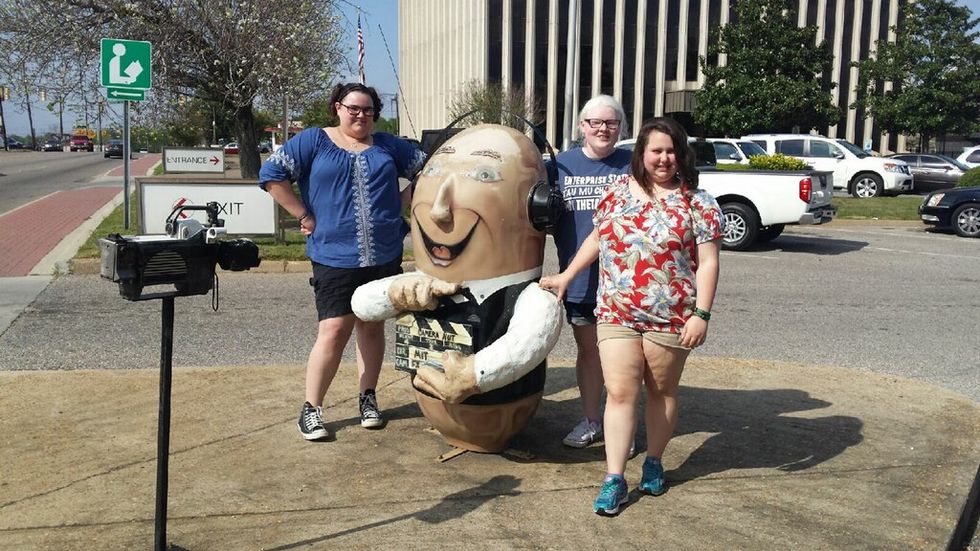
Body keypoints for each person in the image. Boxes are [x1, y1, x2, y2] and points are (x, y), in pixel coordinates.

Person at [540, 117, 722, 516]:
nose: (663, 158)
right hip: (616, 312)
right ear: (641, 153)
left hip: (671, 316)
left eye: (671, 151)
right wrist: (567, 276)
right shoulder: (618, 191)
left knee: (661, 392)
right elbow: (597, 237)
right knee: (620, 393)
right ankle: (615, 478)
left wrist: (701, 314)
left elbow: (708, 264)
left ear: (681, 154)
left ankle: (654, 461)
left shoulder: (698, 202)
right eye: (656, 150)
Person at [351, 124, 563, 453]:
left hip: (505, 406)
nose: (439, 209)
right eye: (433, 171)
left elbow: (532, 337)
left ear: (540, 206)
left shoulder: (530, 298)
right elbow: (361, 304)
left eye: (482, 174)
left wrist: (473, 375)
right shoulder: (421, 284)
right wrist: (394, 293)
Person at [258, 82, 425, 441]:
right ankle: (311, 408)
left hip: (383, 253)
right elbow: (272, 176)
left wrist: (400, 205)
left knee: (371, 326)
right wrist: (303, 214)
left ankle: (368, 397)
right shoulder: (314, 141)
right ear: (337, 107)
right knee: (333, 330)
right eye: (354, 108)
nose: (361, 115)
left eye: (368, 110)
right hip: (333, 255)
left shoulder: (387, 145)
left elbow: (428, 170)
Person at [550, 94, 633, 449]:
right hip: (579, 279)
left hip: (626, 281)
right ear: (582, 126)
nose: (603, 128)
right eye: (595, 122)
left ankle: (622, 426)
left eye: (611, 123)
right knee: (588, 353)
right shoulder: (559, 166)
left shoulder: (633, 165)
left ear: (620, 127)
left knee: (625, 359)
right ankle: (592, 420)